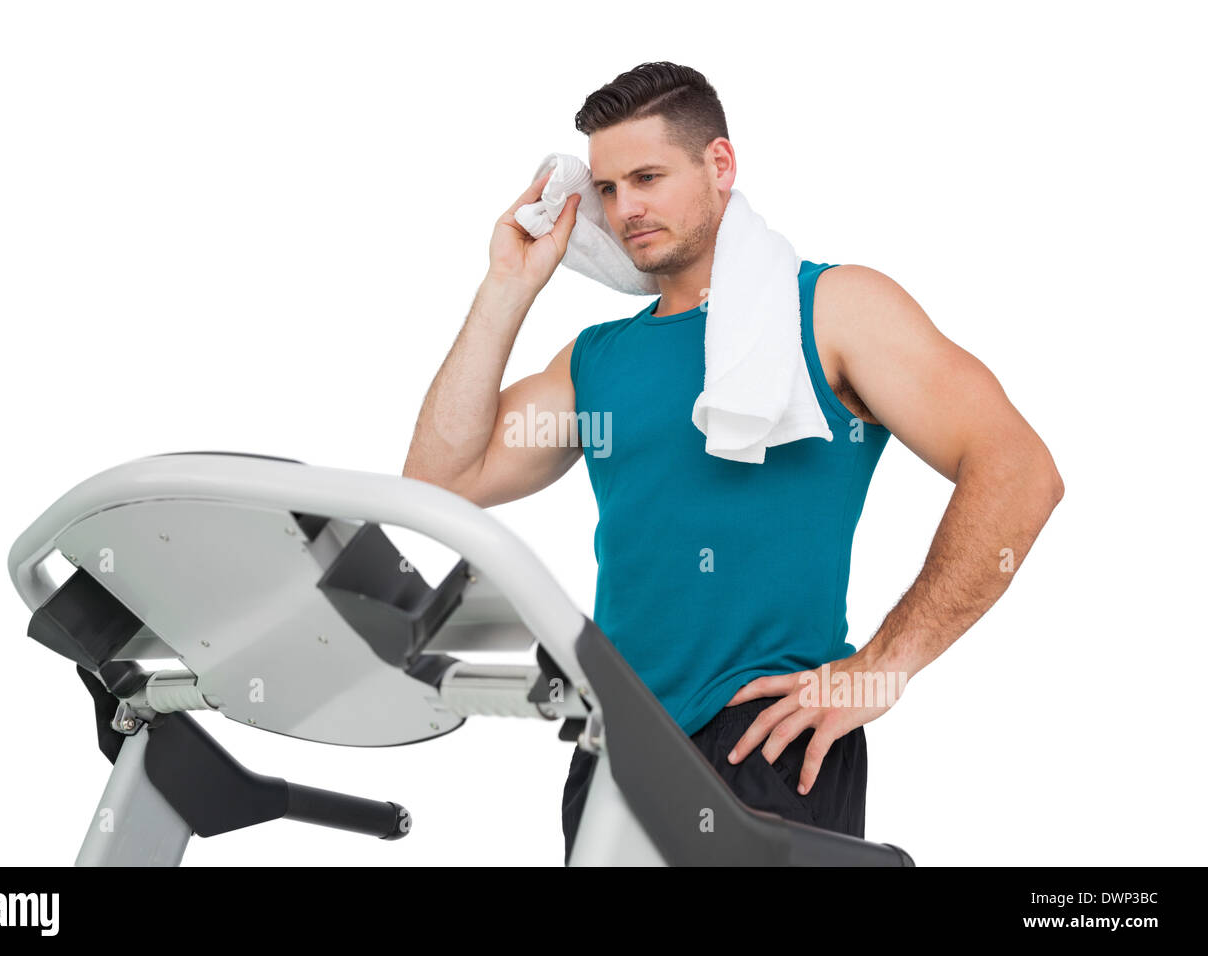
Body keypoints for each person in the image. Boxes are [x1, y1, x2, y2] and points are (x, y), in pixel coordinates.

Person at [402, 61, 1064, 865]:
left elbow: (1017, 468)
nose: (625, 209)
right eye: (607, 189)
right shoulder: (597, 361)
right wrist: (507, 286)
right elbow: (441, 483)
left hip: (769, 738)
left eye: (648, 177)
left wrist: (883, 666)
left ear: (720, 166)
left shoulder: (831, 309)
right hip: (613, 746)